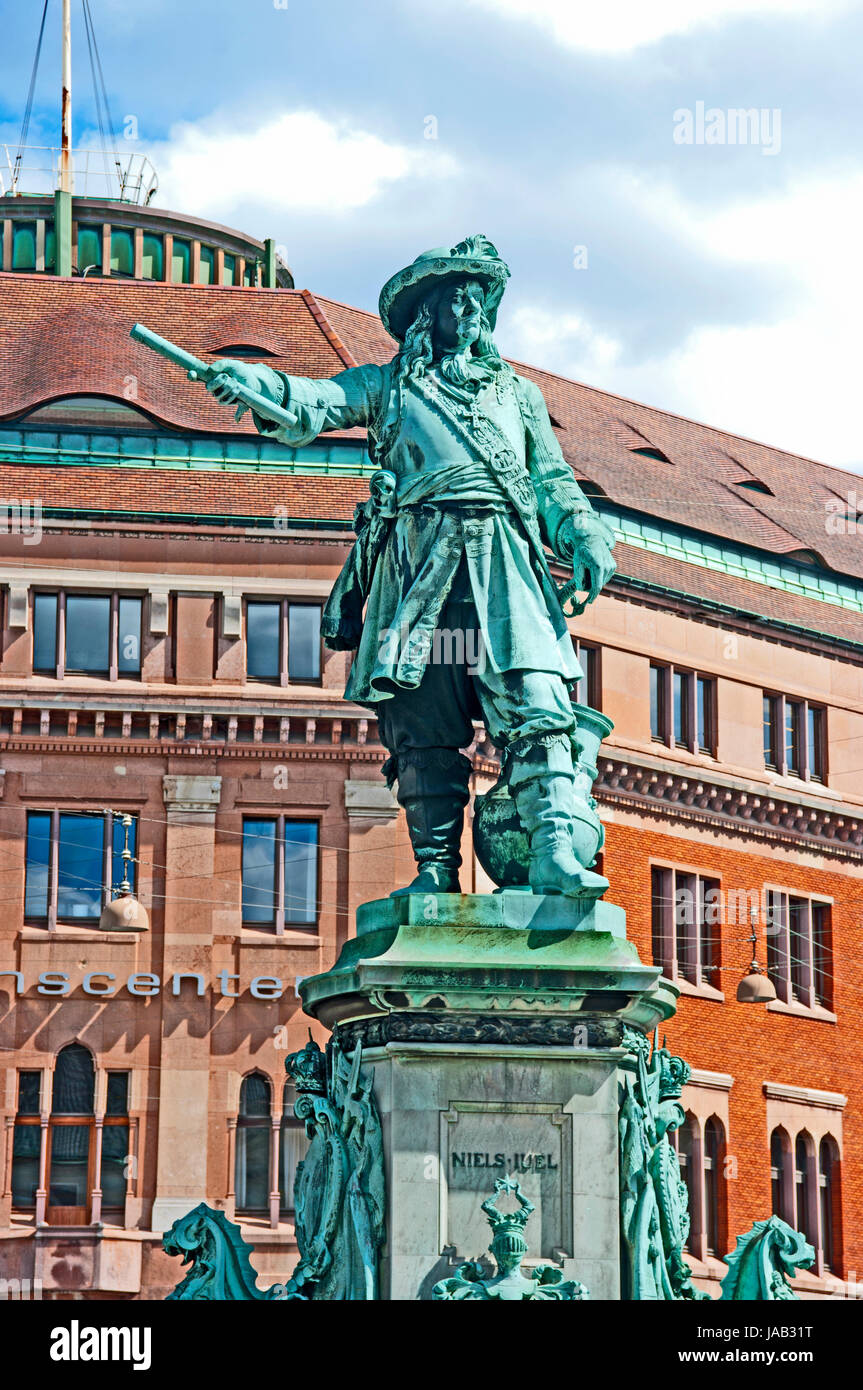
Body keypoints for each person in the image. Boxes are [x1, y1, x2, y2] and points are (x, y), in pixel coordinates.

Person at [207, 235, 616, 897]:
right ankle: (434, 872)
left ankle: (552, 853)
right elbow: (310, 403)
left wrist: (584, 534)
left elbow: (552, 483)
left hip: (505, 562)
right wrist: (253, 380)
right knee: (420, 727)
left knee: (539, 702)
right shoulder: (386, 386)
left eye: (480, 299)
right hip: (417, 561)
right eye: (458, 299)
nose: (472, 310)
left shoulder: (518, 395)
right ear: (427, 313)